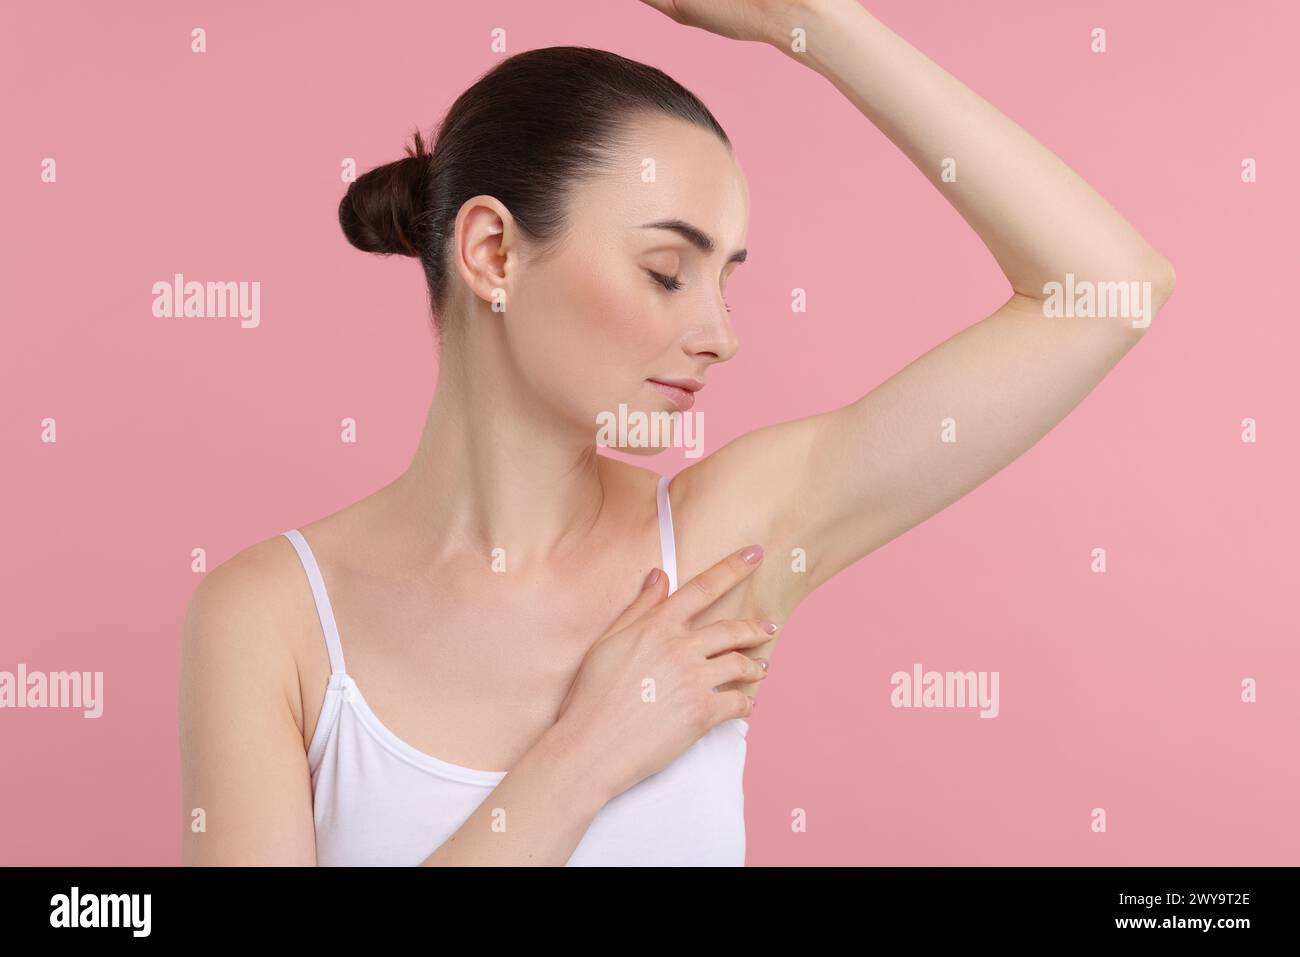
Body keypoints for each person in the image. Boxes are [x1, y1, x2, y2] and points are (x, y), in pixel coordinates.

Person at [179, 0, 1175, 866]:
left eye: (727, 277)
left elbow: (1106, 294)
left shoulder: (717, 551)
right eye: (667, 272)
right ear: (492, 252)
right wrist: (582, 757)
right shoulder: (271, 619)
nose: (721, 337)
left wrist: (812, 20)